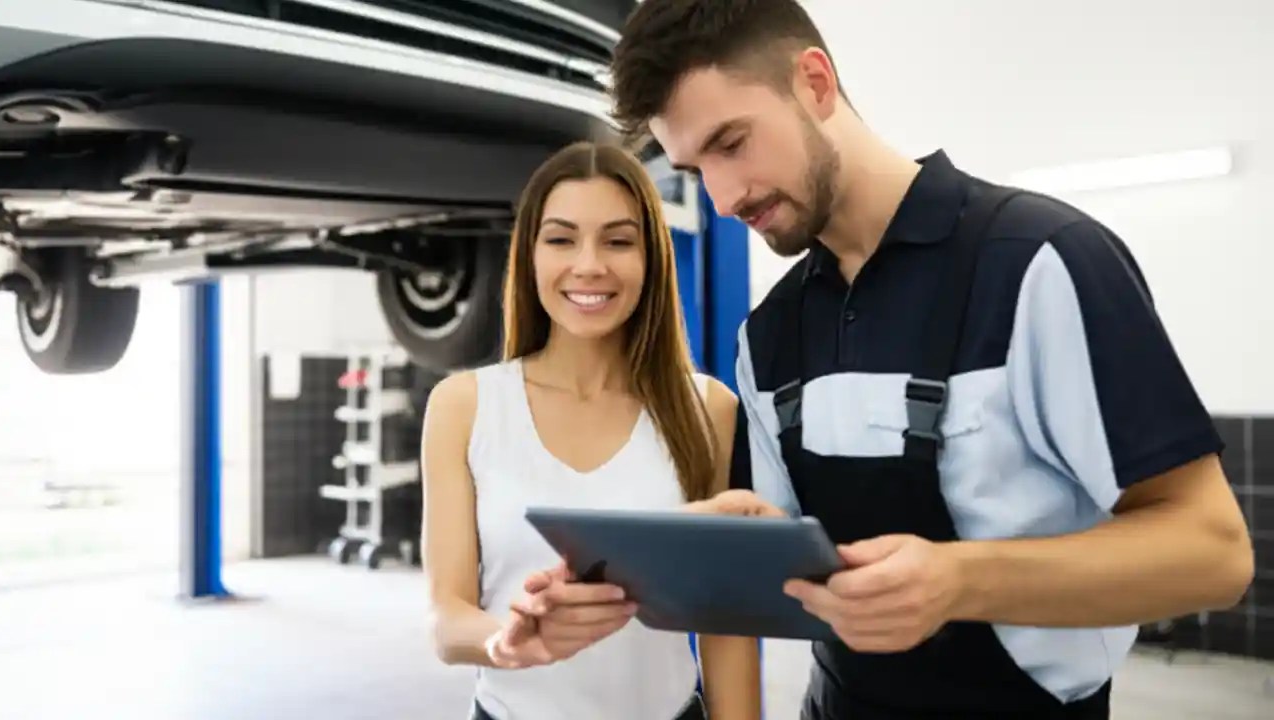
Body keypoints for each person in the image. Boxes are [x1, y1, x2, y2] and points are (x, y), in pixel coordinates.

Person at [511, 1, 1257, 718]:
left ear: (815, 82)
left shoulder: (1040, 264)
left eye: (732, 143)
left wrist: (959, 581)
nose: (724, 194)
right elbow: (784, 555)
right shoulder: (768, 336)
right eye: (694, 166)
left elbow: (1214, 553)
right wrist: (657, 567)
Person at [419, 140, 763, 720]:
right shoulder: (464, 406)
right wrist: (508, 638)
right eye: (561, 239)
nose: (589, 265)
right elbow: (446, 618)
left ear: (650, 258)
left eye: (618, 240)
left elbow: (724, 625)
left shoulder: (708, 409)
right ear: (529, 256)